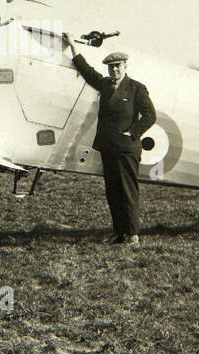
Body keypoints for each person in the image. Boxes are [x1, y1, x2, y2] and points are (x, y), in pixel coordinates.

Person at [62, 34, 156, 244]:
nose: (114, 70)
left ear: (125, 66)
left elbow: (150, 115)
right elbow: (87, 72)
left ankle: (132, 234)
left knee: (127, 192)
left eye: (118, 66)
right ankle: (118, 232)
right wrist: (72, 47)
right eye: (111, 67)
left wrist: (132, 132)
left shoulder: (136, 88)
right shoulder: (105, 85)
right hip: (109, 148)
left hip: (126, 149)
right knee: (112, 192)